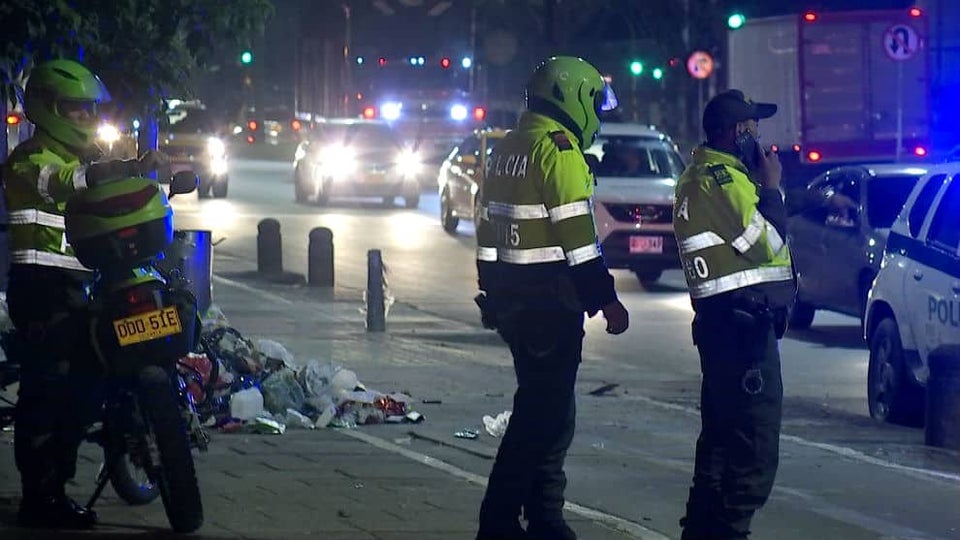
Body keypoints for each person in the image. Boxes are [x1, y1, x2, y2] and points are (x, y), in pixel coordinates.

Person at [2, 58, 165, 528]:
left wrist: (140, 168)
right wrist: (105, 171)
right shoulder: (28, 160)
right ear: (48, 108)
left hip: (82, 286)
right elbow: (59, 183)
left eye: (90, 109)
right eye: (75, 109)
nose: (85, 118)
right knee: (49, 393)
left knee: (86, 385)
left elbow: (103, 182)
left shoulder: (82, 159)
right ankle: (42, 497)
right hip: (42, 292)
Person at [473, 56, 630, 540]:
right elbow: (579, 242)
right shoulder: (558, 152)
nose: (598, 118)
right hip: (549, 305)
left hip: (514, 302)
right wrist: (607, 300)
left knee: (548, 410)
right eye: (595, 106)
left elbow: (485, 229)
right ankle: (500, 522)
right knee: (540, 418)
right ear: (573, 100)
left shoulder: (509, 148)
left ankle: (544, 516)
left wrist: (492, 291)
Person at [672, 89, 797, 540]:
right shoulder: (723, 181)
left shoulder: (702, 175)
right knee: (752, 454)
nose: (759, 137)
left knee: (720, 447)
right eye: (752, 128)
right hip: (743, 333)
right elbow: (765, 243)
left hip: (723, 327)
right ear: (734, 132)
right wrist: (772, 188)